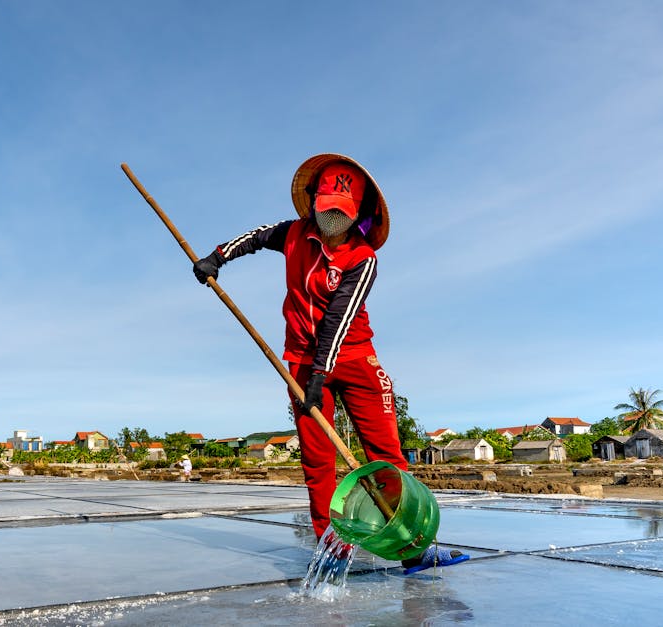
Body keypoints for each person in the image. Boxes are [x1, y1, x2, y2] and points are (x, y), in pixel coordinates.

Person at [192, 153, 467, 574]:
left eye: (340, 214)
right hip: (300, 362)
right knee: (317, 460)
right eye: (325, 212)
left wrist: (321, 375)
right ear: (313, 206)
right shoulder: (293, 234)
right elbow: (253, 237)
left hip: (354, 359)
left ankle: (412, 550)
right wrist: (216, 257)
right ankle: (330, 550)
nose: (330, 222)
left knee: (387, 456)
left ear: (357, 215)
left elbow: (338, 321)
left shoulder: (362, 258)